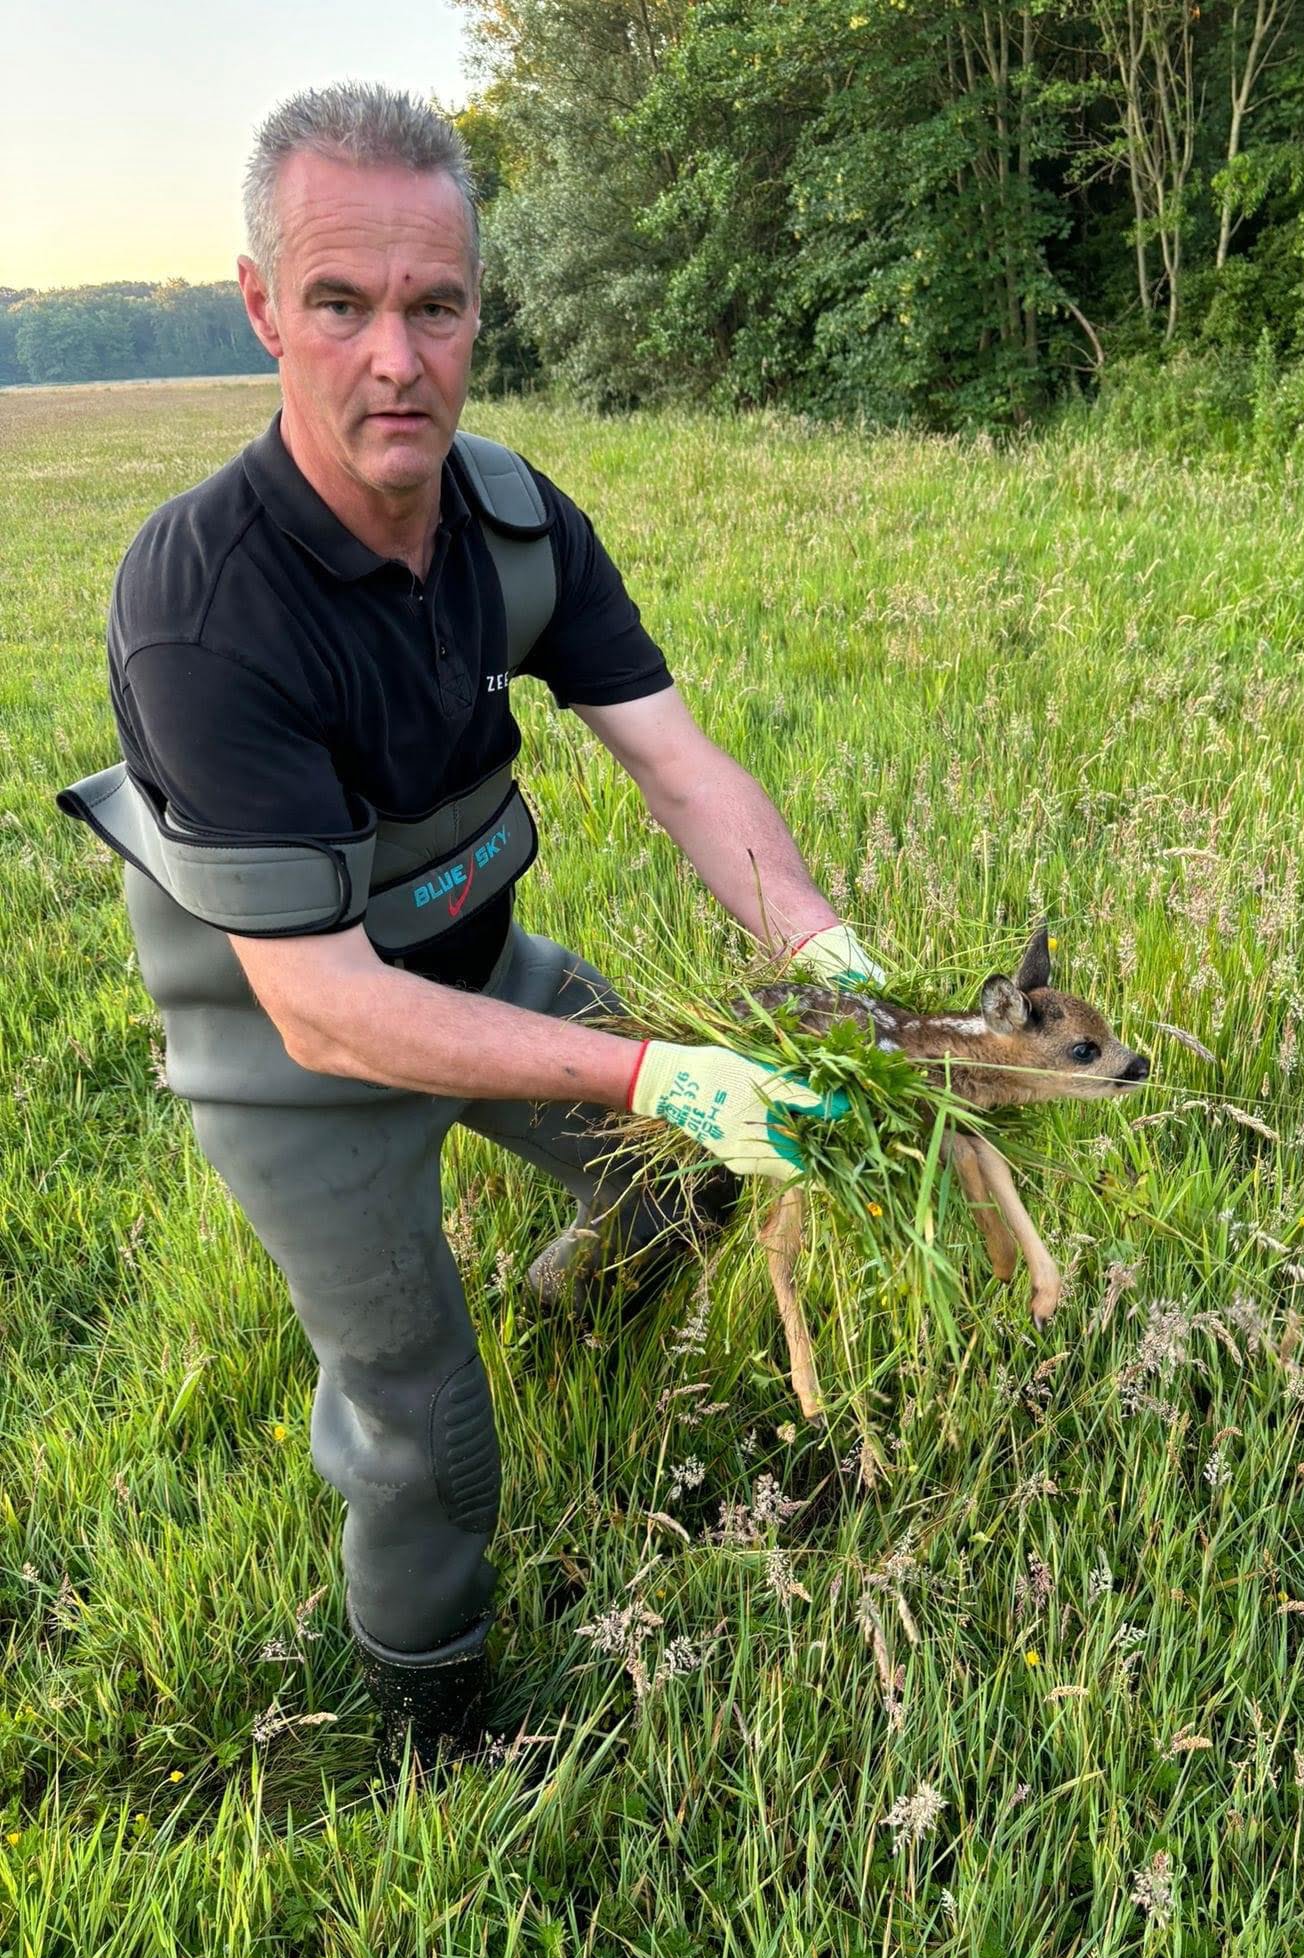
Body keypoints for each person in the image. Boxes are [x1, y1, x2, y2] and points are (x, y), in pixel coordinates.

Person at [56, 82, 884, 1775]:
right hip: (296, 1060)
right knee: (428, 1436)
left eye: (435, 307)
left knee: (694, 1178)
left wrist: (826, 958)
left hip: (473, 968)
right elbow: (329, 1014)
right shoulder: (202, 607)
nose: (395, 360)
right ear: (264, 307)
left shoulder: (511, 520)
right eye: (344, 305)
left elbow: (676, 763)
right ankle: (431, 1716)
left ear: (478, 313)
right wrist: (656, 1063)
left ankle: (576, 1299)